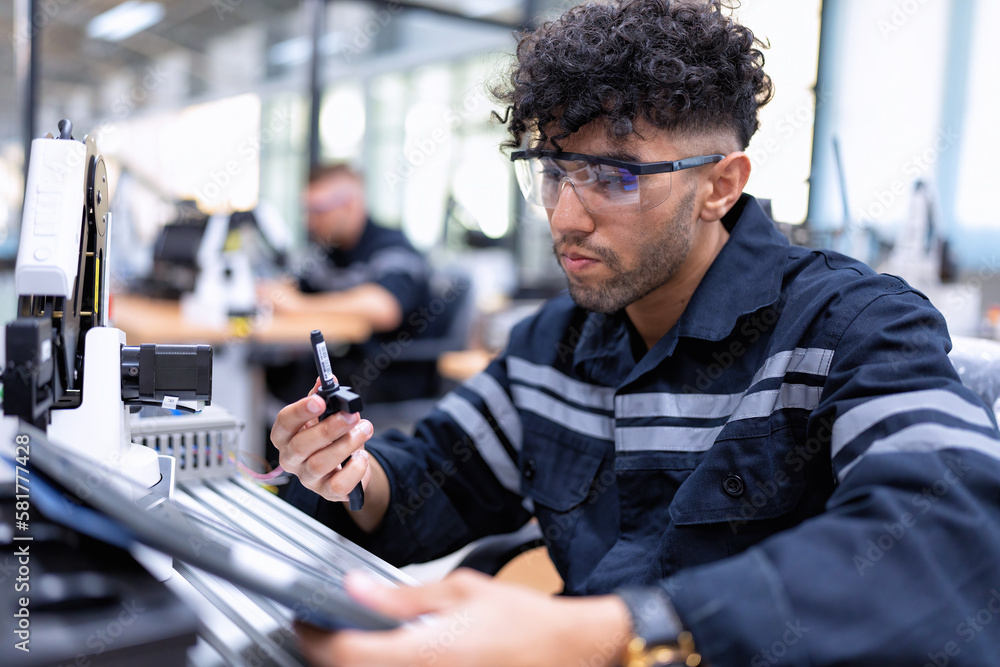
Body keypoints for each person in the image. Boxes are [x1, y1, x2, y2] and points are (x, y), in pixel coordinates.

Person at [271, 1, 1000, 665]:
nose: (565, 216)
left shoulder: (852, 327)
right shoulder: (553, 343)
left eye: (614, 177)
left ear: (719, 184)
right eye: (554, 172)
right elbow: (426, 480)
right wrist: (346, 470)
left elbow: (953, 533)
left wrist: (604, 632)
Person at [260, 164, 442, 406]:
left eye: (318, 210)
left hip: (389, 375)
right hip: (348, 363)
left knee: (281, 386)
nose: (310, 221)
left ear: (350, 205)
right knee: (270, 374)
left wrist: (298, 305)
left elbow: (385, 307)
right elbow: (297, 287)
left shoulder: (393, 248)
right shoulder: (329, 252)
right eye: (306, 210)